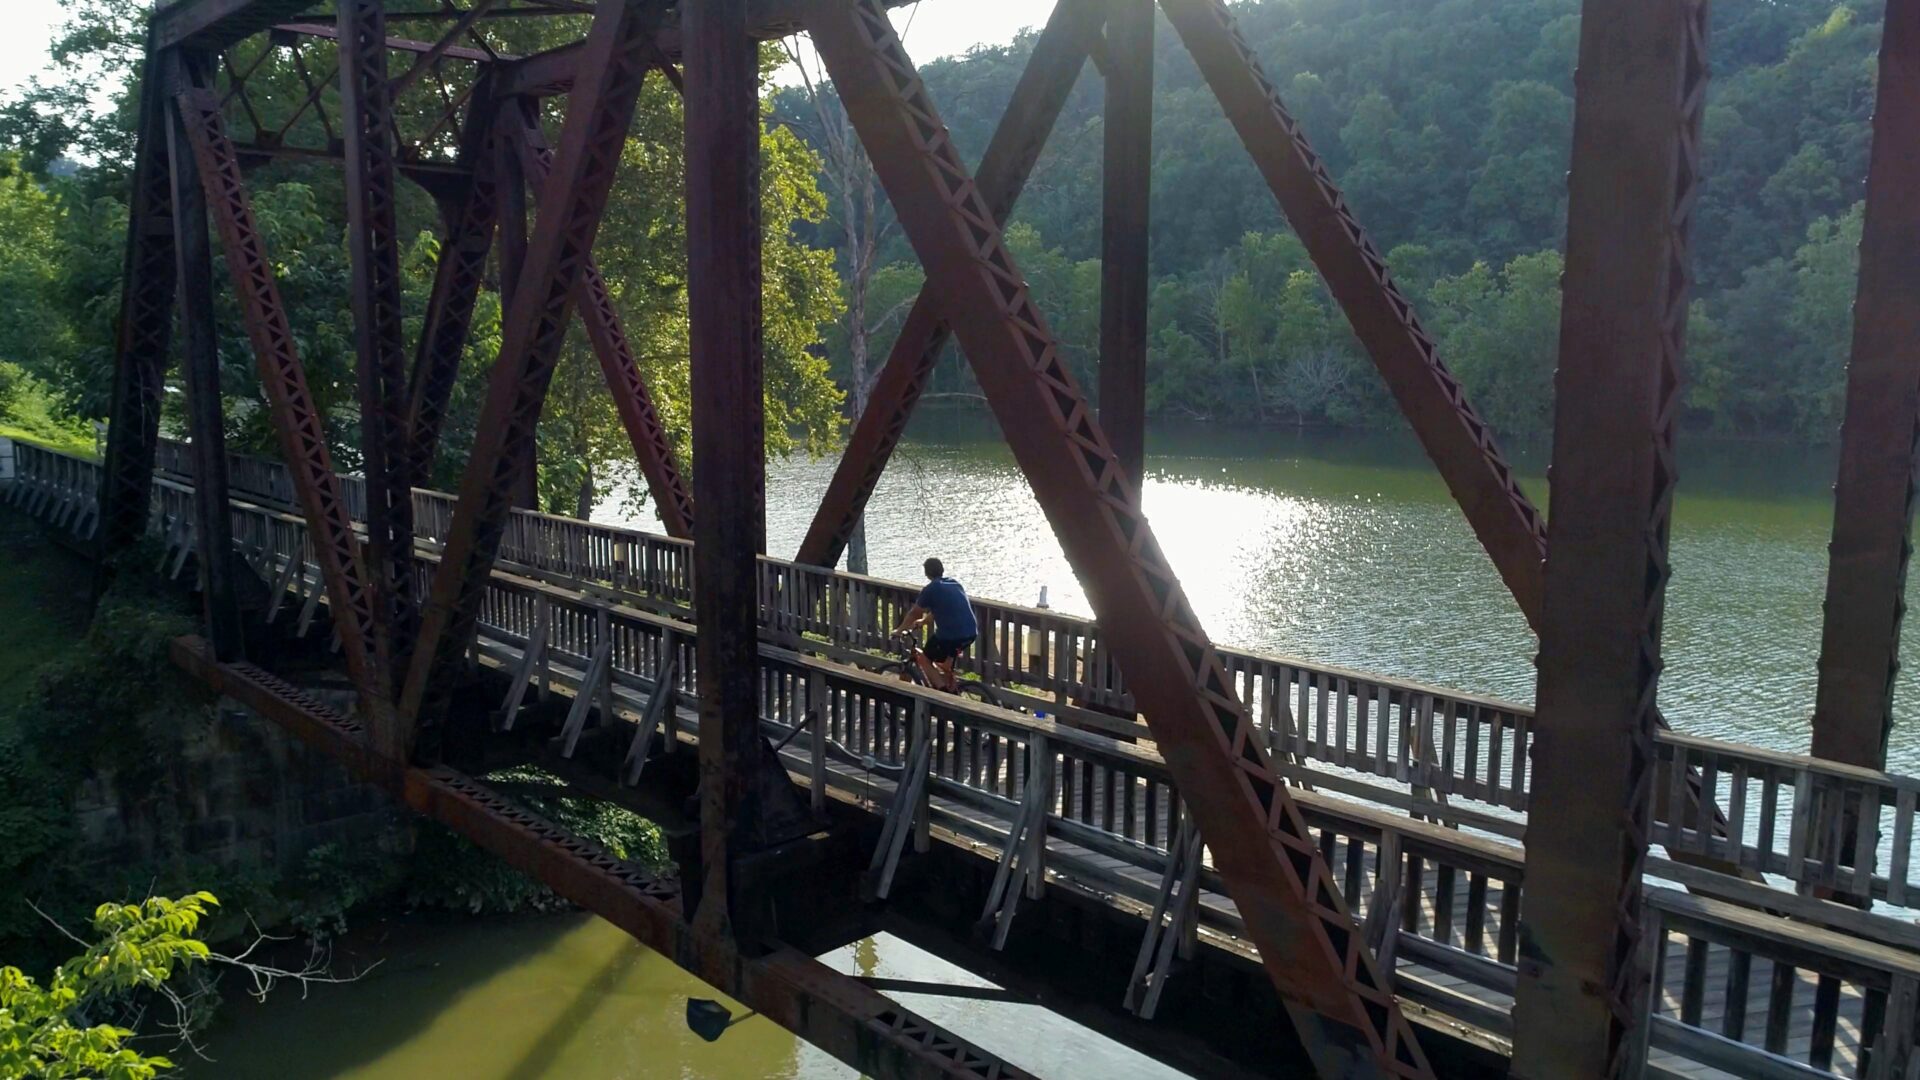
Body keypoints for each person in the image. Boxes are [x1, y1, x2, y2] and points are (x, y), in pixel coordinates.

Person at [895, 557, 978, 686]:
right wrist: (923, 621)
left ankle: (941, 694)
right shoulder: (954, 583)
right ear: (942, 570)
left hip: (950, 636)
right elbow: (939, 609)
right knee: (945, 664)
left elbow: (914, 612)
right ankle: (952, 690)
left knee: (924, 659)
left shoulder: (931, 589)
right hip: (971, 632)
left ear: (926, 573)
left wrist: (899, 630)